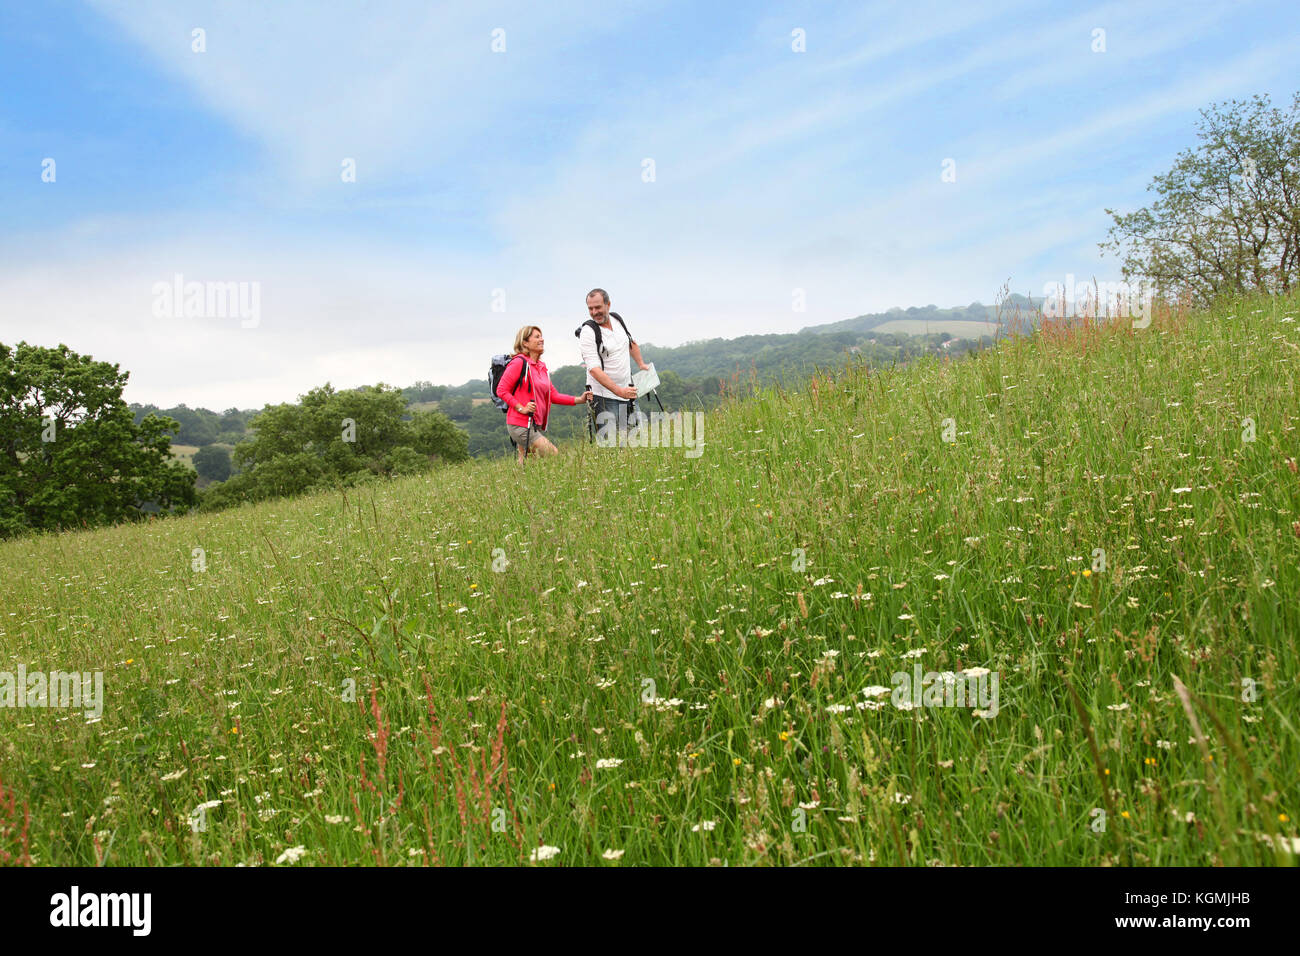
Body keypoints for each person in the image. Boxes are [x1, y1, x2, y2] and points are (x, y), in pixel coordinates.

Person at [496, 325, 592, 464]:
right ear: (525, 343)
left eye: (541, 336)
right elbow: (502, 390)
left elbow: (553, 396)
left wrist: (579, 399)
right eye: (536, 337)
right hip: (520, 424)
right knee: (554, 454)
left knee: (528, 464)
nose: (541, 339)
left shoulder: (541, 366)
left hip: (533, 424)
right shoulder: (519, 362)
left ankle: (518, 484)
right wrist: (521, 408)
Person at [578, 288, 650, 440]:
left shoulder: (617, 320)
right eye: (590, 308)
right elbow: (594, 370)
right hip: (603, 397)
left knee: (636, 438)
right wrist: (619, 391)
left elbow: (630, 342)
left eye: (598, 307)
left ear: (608, 304)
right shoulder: (588, 332)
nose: (594, 312)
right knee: (610, 444)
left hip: (627, 392)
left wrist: (641, 364)